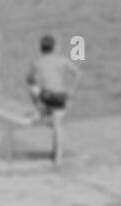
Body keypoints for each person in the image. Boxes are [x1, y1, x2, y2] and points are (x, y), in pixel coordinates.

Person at [26, 34, 81, 164]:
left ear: (41, 48)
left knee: (32, 88)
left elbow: (29, 80)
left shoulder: (37, 62)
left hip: (45, 97)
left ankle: (41, 109)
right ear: (55, 48)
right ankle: (57, 158)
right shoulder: (62, 60)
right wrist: (71, 91)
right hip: (60, 97)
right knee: (58, 125)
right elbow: (77, 73)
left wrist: (36, 96)